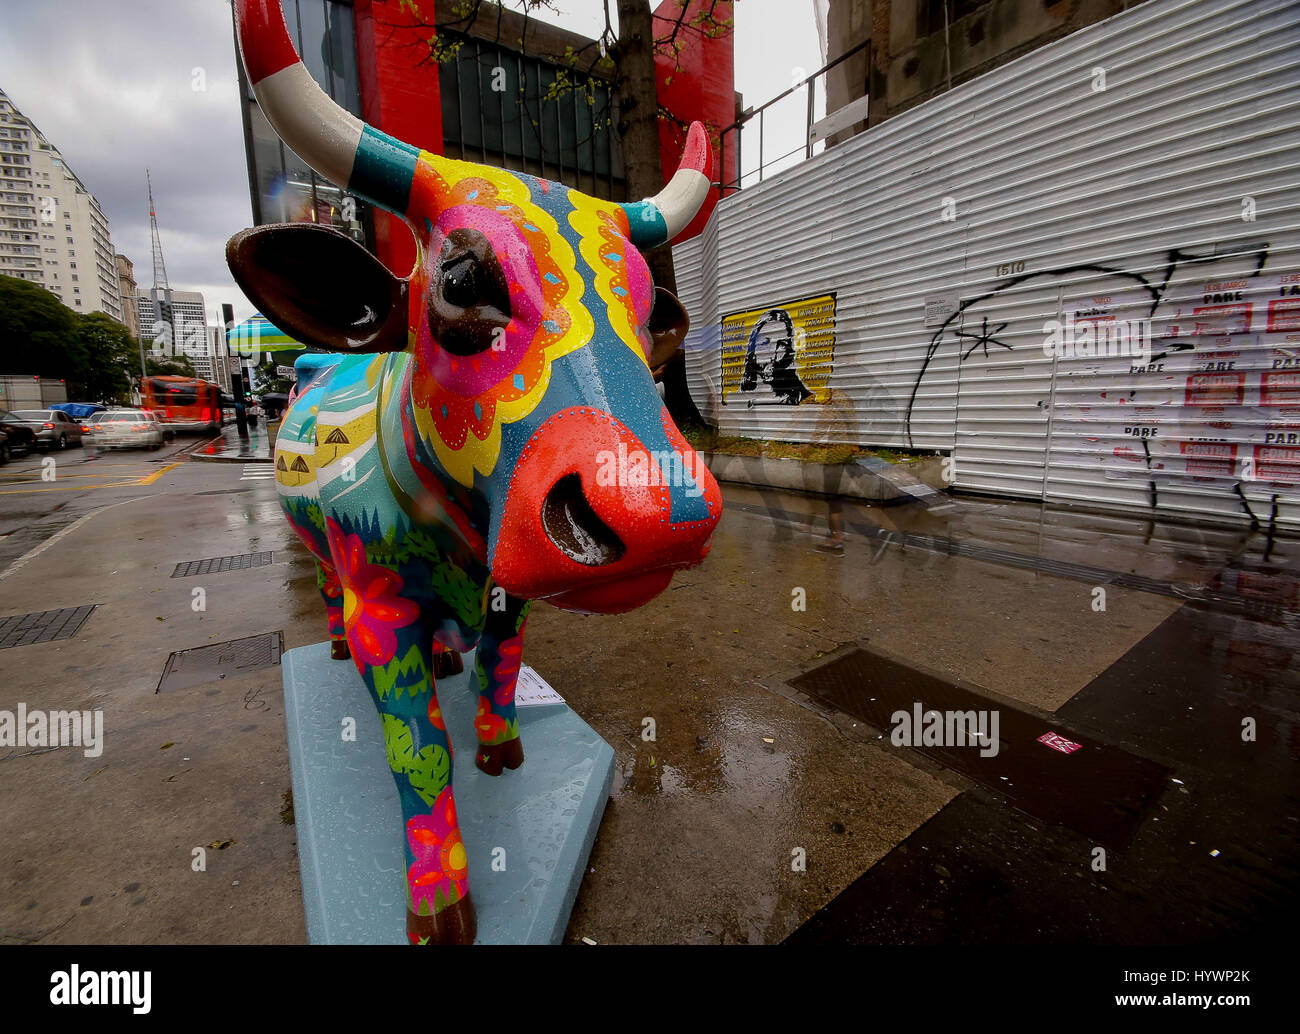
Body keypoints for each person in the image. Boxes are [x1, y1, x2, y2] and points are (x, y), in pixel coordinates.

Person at [741, 309, 814, 405]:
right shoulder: (736, 400)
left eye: (782, 344)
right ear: (752, 350)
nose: (773, 355)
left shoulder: (803, 398)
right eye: (765, 343)